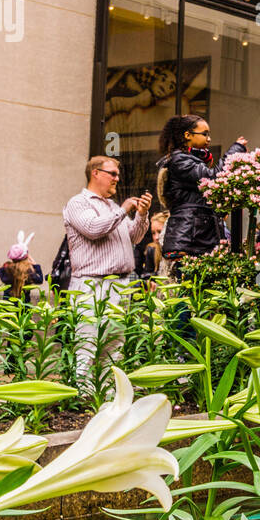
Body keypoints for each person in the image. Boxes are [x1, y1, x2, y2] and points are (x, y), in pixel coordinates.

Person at [63, 155, 151, 376]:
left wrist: (142, 215)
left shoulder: (111, 206)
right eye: (113, 174)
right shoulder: (78, 203)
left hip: (119, 285)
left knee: (114, 348)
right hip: (91, 285)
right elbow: (93, 229)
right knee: (88, 345)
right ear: (96, 173)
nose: (117, 179)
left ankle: (109, 398)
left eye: (118, 175)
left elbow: (135, 237)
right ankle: (81, 401)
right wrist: (122, 210)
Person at [156, 115, 247, 269]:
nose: (209, 139)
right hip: (190, 241)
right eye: (204, 134)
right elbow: (213, 178)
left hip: (198, 238)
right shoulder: (180, 160)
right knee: (192, 290)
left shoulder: (190, 160)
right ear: (187, 135)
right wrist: (236, 150)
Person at [0, 230, 44, 301]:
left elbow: (2, 275)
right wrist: (35, 265)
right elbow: (39, 280)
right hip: (23, 305)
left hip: (8, 305)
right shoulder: (28, 271)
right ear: (26, 256)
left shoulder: (7, 269)